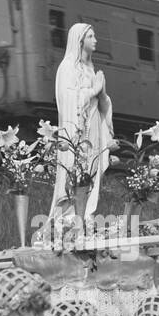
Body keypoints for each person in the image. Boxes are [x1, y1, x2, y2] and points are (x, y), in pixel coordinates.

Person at [49, 23, 114, 221]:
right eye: (91, 36)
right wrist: (94, 91)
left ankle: (85, 214)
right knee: (76, 170)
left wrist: (102, 94)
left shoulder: (90, 69)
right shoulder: (67, 67)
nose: (95, 40)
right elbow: (69, 101)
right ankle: (70, 216)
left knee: (91, 169)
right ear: (80, 41)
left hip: (93, 126)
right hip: (76, 130)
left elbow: (100, 103)